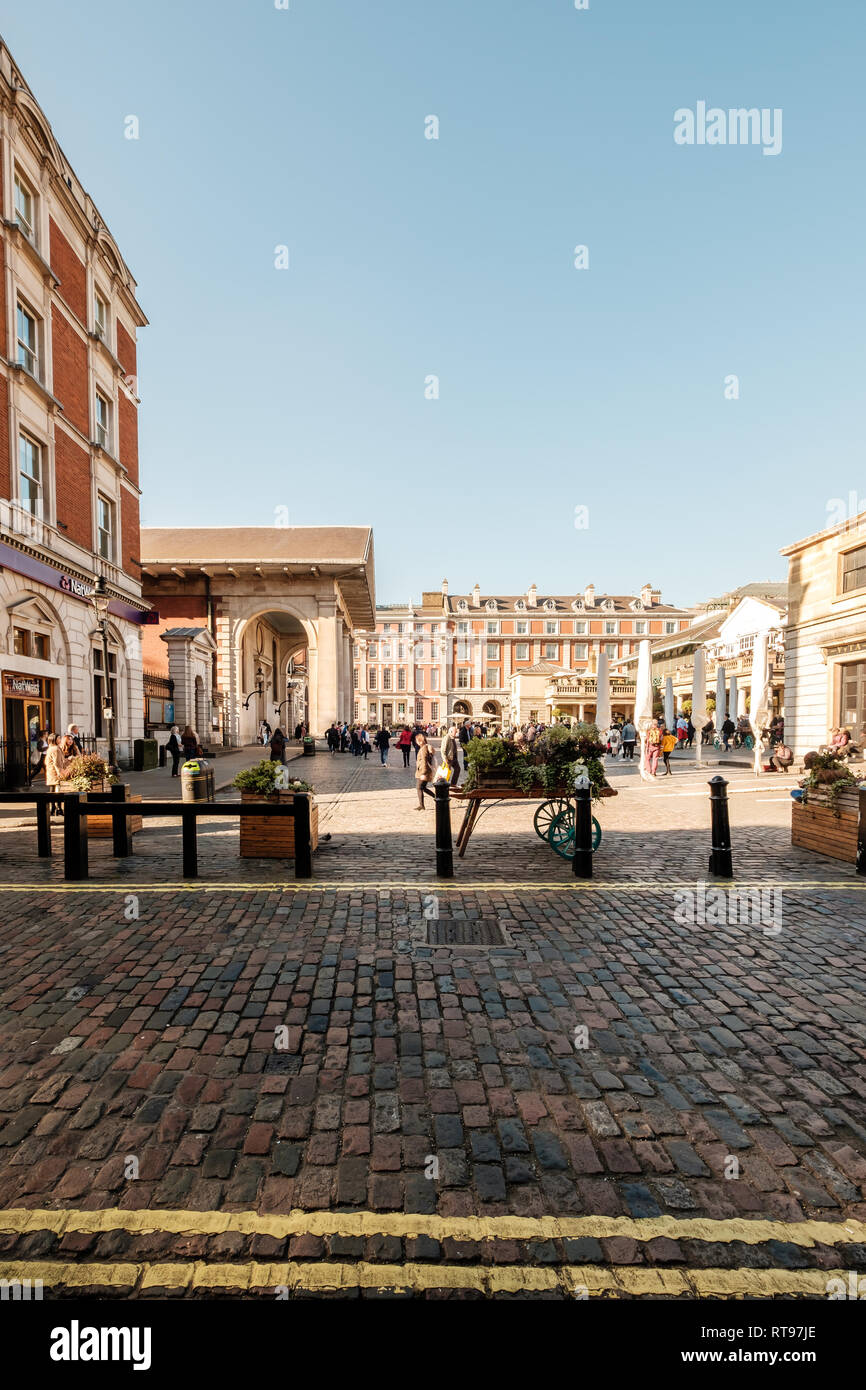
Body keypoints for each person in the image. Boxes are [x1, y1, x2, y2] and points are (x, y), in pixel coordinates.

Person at [44, 734, 69, 815]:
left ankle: (54, 808)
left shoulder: (51, 748)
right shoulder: (55, 749)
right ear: (54, 739)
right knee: (57, 791)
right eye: (59, 738)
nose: (60, 739)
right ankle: (58, 808)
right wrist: (60, 773)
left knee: (53, 790)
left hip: (51, 772)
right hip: (55, 772)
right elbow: (57, 763)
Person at [414, 732, 436, 809]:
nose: (416, 742)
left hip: (423, 771)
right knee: (423, 788)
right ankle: (436, 797)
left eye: (417, 740)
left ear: (420, 741)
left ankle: (421, 805)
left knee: (419, 787)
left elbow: (424, 761)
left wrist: (423, 773)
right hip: (424, 771)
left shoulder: (423, 749)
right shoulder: (425, 747)